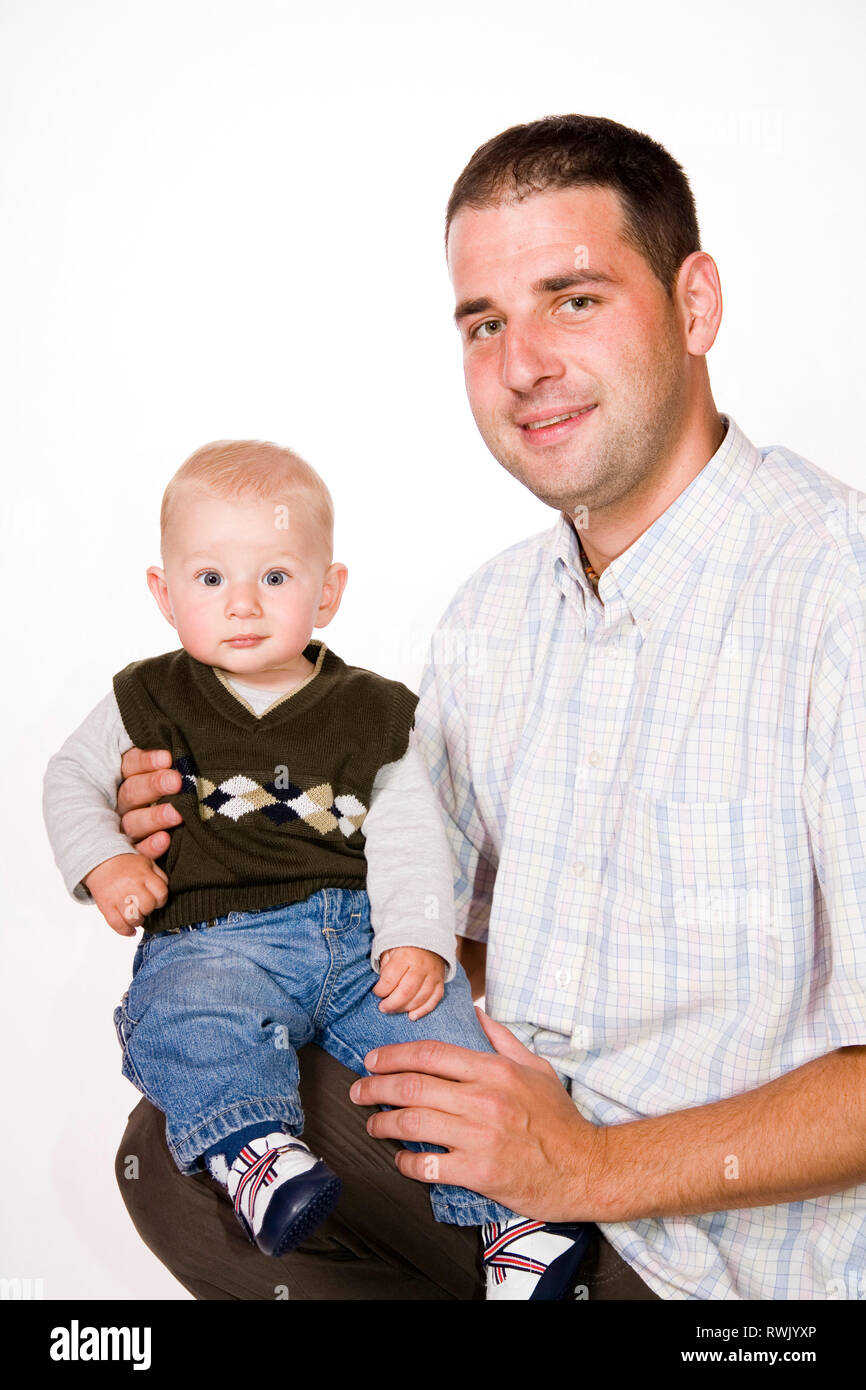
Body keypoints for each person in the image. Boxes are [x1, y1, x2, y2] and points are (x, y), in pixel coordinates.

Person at [111, 114, 866, 1301]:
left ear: (695, 305)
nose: (522, 364)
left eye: (572, 300)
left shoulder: (838, 596)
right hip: (522, 1209)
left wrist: (592, 1166)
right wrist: (218, 820)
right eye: (483, 323)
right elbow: (426, 934)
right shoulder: (487, 622)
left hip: (743, 1273)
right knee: (185, 1146)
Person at [42, 437, 590, 1299]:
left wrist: (415, 938)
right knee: (189, 1016)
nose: (244, 605)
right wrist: (106, 861)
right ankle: (257, 1154)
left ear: (328, 591)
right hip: (216, 936)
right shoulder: (147, 697)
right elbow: (70, 778)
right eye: (211, 579)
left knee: (440, 1048)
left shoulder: (372, 711)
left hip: (357, 936)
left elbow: (411, 834)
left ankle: (512, 1222)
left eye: (276, 577)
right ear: (164, 593)